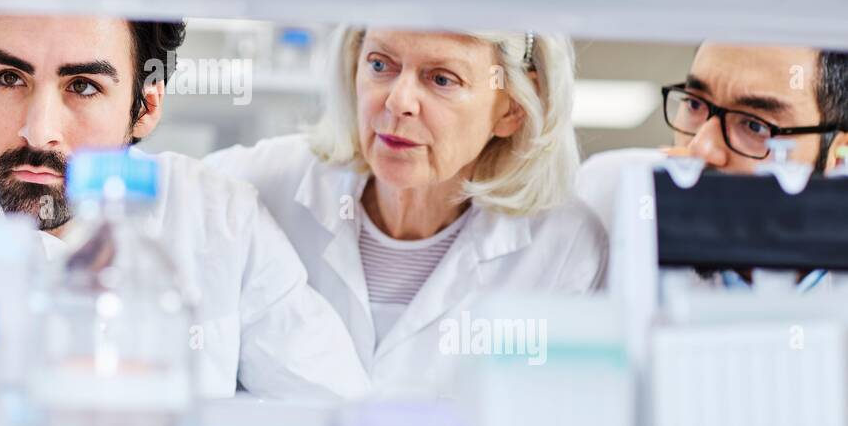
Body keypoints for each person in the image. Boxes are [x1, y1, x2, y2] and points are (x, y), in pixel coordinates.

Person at [0, 12, 372, 401]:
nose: (39, 131)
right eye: (9, 78)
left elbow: (338, 419)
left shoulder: (219, 219)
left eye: (82, 86)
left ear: (146, 106)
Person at [205, 26, 607, 396]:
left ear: (512, 108)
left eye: (441, 79)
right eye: (380, 65)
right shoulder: (254, 184)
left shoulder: (564, 245)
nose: (398, 102)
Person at [578, 41, 848, 291]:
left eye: (755, 125)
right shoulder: (607, 199)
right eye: (694, 104)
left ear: (840, 156)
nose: (700, 147)